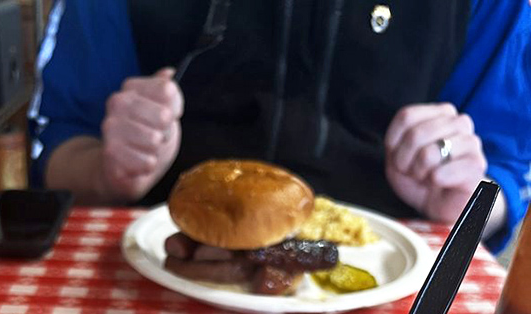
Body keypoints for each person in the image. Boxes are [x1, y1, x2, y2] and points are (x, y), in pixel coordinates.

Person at [28, 0, 531, 253]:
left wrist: (466, 196)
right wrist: (107, 169)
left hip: (390, 286)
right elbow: (56, 146)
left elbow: (507, 175)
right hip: (158, 259)